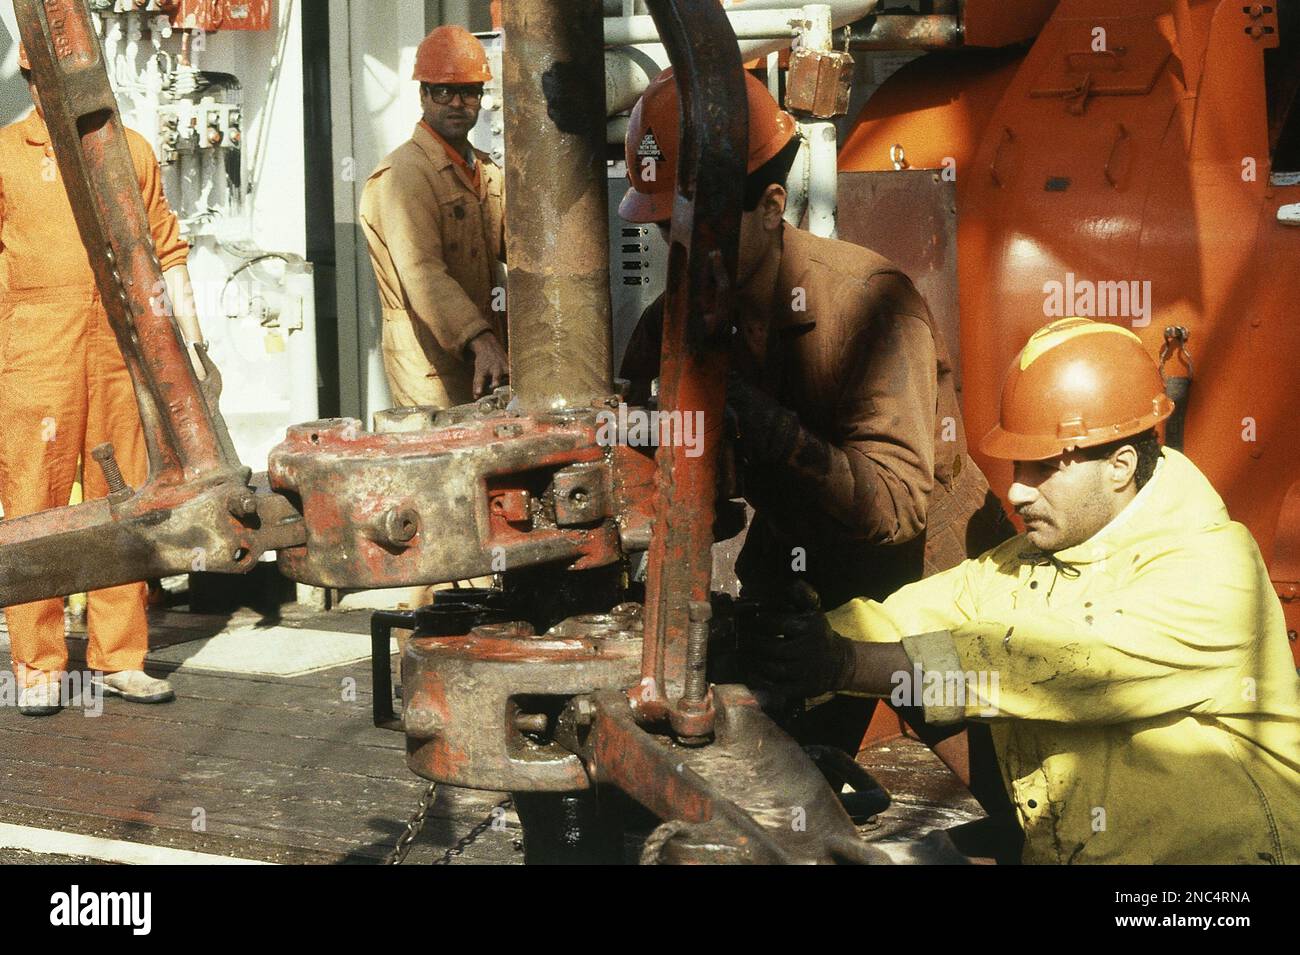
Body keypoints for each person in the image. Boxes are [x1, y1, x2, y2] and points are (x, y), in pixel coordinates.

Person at [757, 317, 1300, 863]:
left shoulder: (1214, 569)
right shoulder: (1032, 562)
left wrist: (845, 664)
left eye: (1043, 468)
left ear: (1121, 466)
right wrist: (794, 639)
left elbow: (1052, 664)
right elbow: (912, 616)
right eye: (1019, 465)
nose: (1016, 489)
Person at [618, 68, 1012, 770]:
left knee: (1014, 779)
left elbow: (895, 507)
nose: (678, 253)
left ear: (771, 206)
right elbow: (626, 457)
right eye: (662, 230)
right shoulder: (674, 325)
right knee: (771, 779)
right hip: (799, 555)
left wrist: (757, 422)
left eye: (696, 229)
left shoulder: (869, 305)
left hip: (927, 563)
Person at [0, 46, 203, 715]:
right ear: (29, 78)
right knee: (37, 503)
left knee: (128, 498)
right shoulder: (5, 154)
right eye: (44, 77)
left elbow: (167, 250)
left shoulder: (131, 152)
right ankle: (38, 664)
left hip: (120, 354)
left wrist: (193, 347)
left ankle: (120, 657)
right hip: (36, 354)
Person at [359, 24, 508, 408]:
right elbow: (422, 272)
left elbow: (517, 245)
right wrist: (481, 338)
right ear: (423, 94)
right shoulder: (404, 176)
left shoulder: (486, 171)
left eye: (468, 91)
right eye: (443, 91)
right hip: (429, 370)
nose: (456, 103)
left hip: (483, 360)